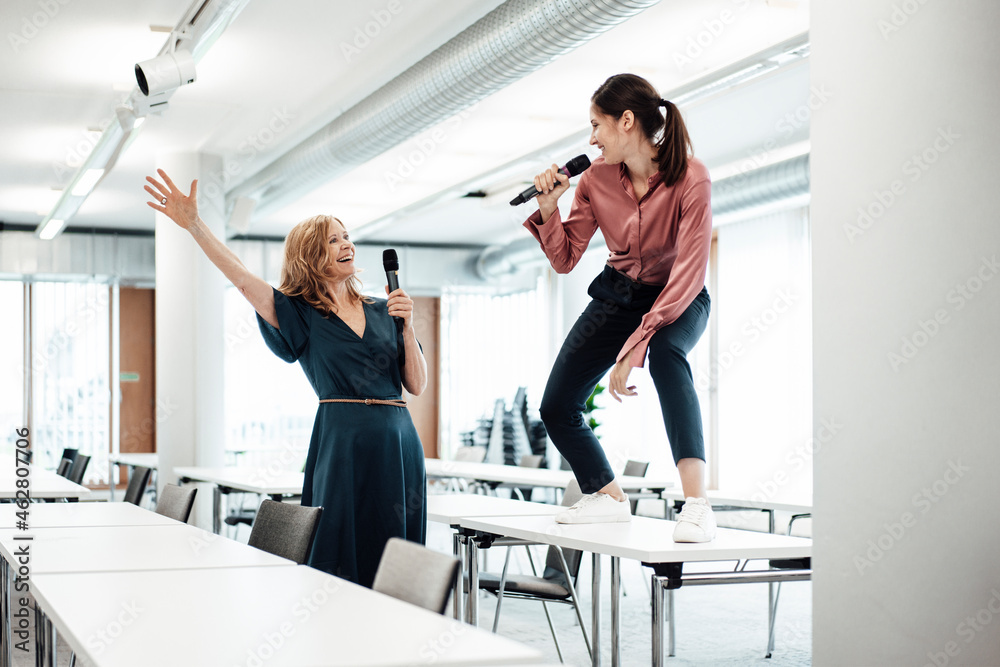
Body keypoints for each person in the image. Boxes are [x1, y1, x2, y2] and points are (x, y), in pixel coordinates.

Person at [144, 170, 428, 584]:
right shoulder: (300, 313)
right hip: (342, 439)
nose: (346, 243)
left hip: (398, 440)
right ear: (311, 255)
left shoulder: (386, 308)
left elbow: (416, 385)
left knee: (397, 555)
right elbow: (241, 278)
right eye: (333, 239)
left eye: (346, 235)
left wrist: (409, 326)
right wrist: (194, 225)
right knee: (338, 548)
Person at [524, 73, 716, 542]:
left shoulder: (691, 176)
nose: (590, 138)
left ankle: (696, 505)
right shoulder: (594, 180)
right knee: (556, 405)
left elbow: (690, 270)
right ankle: (607, 497)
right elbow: (566, 258)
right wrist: (550, 207)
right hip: (618, 294)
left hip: (679, 294)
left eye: (596, 125)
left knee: (667, 356)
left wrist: (638, 344)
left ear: (626, 121)